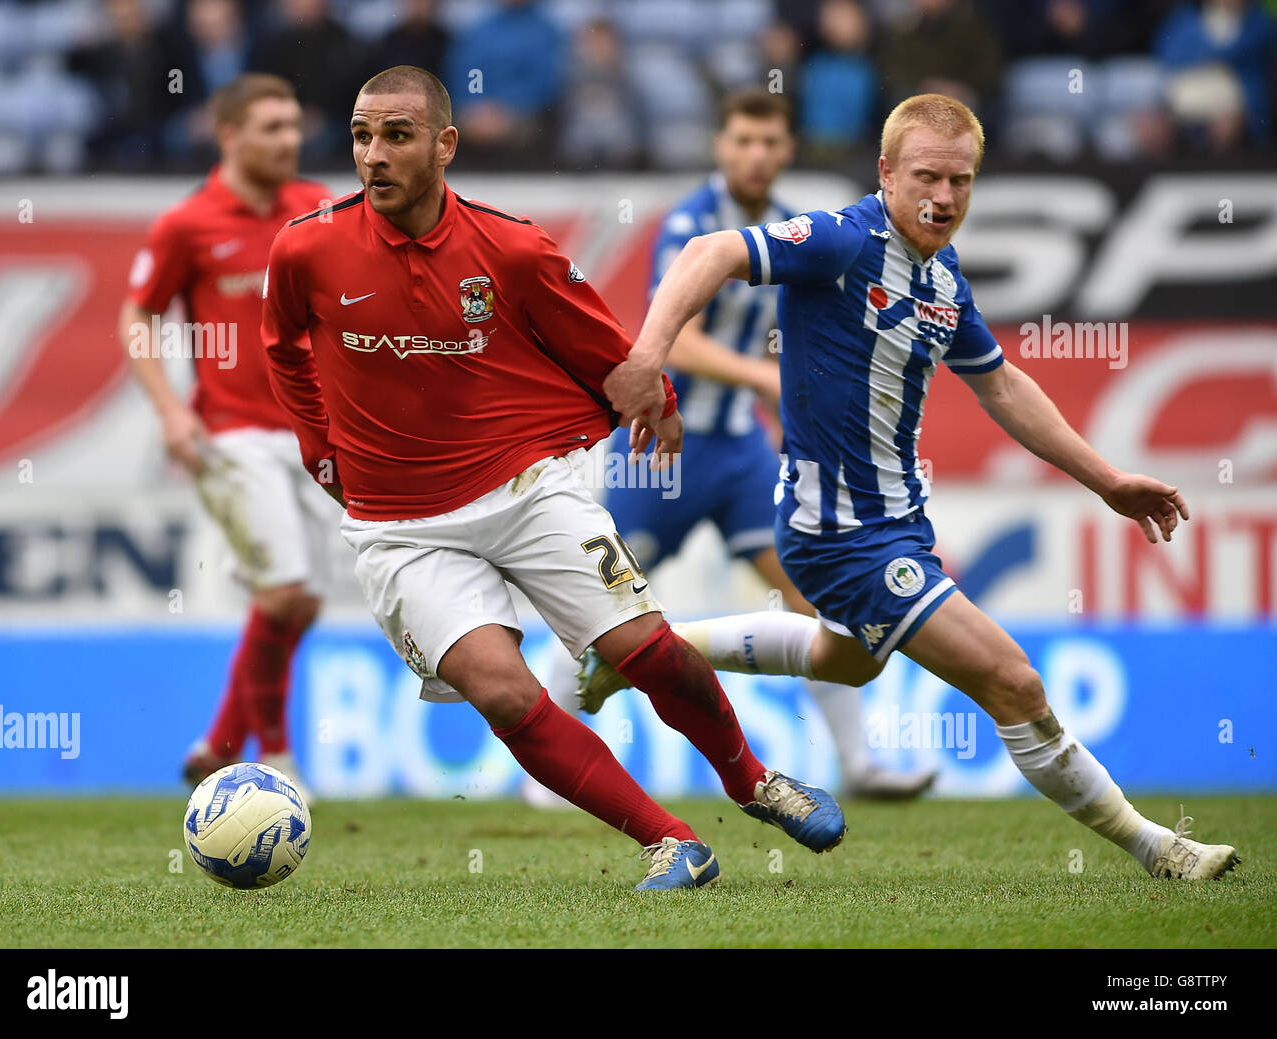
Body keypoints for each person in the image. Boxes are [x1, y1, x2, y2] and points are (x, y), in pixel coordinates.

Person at [601, 93, 1239, 881]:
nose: (944, 197)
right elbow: (708, 253)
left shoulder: (942, 278)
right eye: (928, 177)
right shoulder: (841, 239)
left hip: (897, 525)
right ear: (886, 174)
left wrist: (1107, 480)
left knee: (852, 659)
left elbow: (1001, 385)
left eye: (961, 181)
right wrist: (646, 358)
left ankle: (652, 649)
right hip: (839, 534)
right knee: (1014, 680)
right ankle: (1158, 848)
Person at [259, 65, 846, 891]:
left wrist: (659, 396)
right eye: (361, 135)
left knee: (646, 650)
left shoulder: (511, 246)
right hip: (398, 527)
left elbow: (601, 347)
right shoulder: (307, 248)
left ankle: (753, 778)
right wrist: (320, 449)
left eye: (396, 135)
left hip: (526, 488)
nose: (374, 155)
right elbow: (283, 347)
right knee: (502, 692)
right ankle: (671, 841)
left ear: (445, 144)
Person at [552, 88, 935, 802]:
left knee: (807, 595)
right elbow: (683, 340)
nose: (755, 155)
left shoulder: (790, 230)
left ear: (787, 149)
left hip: (740, 453)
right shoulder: (692, 224)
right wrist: (764, 374)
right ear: (720, 147)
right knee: (600, 600)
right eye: (741, 141)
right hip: (663, 447)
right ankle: (550, 774)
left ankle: (858, 762)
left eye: (768, 142)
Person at [120, 74, 332, 796]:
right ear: (230, 135)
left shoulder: (315, 209)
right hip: (231, 433)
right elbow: (137, 316)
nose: (289, 140)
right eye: (272, 127)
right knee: (283, 593)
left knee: (301, 602)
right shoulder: (188, 224)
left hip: (309, 434)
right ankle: (274, 758)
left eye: (294, 125)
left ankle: (216, 742)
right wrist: (170, 411)